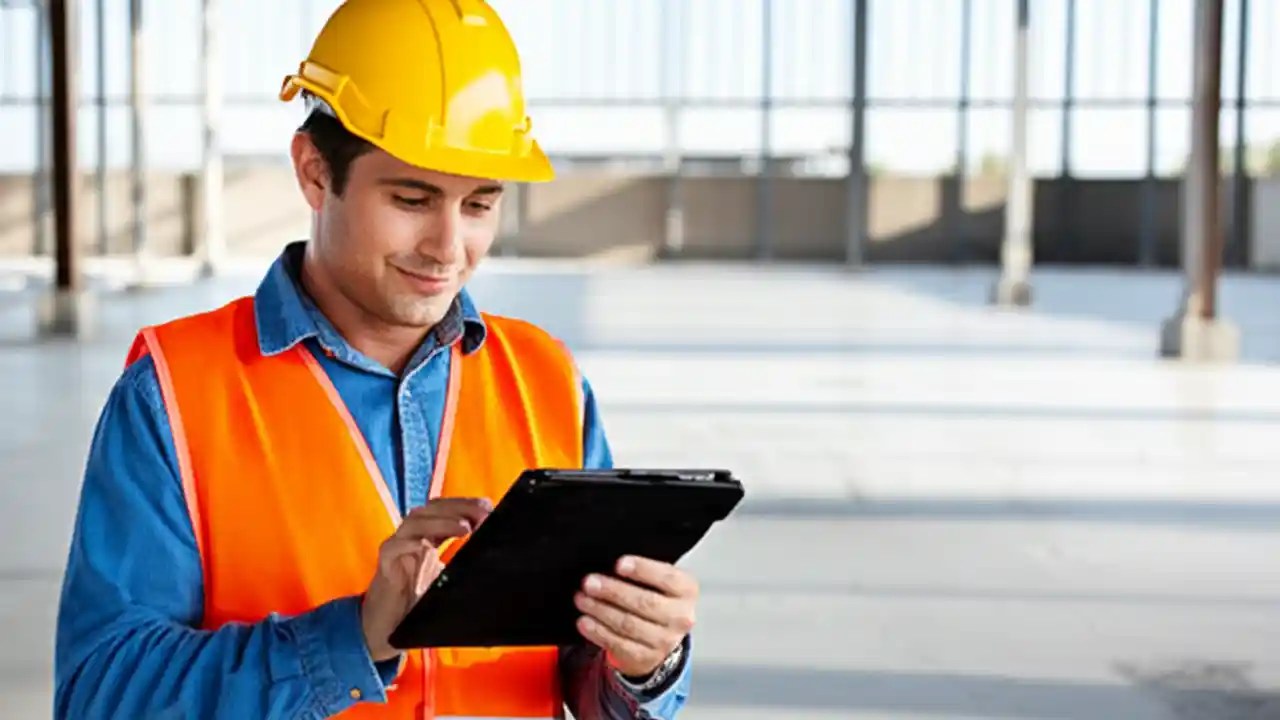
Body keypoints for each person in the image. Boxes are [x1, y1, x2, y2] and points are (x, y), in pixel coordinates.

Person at [53, 1, 700, 717]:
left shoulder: (548, 382)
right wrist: (354, 637)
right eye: (413, 197)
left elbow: (580, 673)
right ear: (314, 173)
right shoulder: (175, 392)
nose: (447, 247)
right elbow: (101, 695)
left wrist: (642, 663)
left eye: (480, 204)